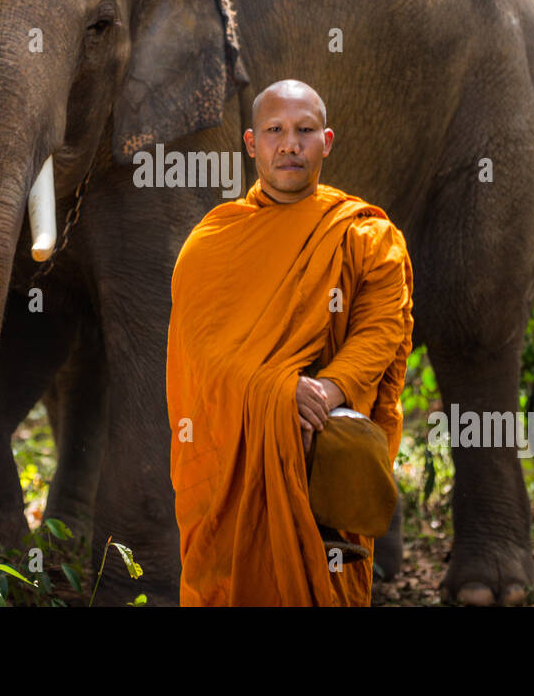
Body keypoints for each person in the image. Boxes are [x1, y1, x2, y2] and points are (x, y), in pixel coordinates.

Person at [165, 79, 414, 606]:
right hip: (231, 456)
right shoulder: (212, 243)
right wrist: (276, 392)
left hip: (326, 445)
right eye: (275, 131)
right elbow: (200, 355)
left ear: (326, 141)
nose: (290, 144)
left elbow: (380, 330)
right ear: (252, 144)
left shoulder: (365, 236)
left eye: (304, 131)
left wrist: (322, 395)